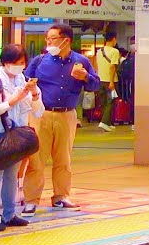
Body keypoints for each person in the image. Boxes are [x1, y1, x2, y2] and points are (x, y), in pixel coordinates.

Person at [23, 22, 100, 213]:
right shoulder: (40, 61)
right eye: (47, 39)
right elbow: (23, 82)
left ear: (67, 40)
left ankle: (61, 196)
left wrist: (85, 77)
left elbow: (95, 85)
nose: (49, 43)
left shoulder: (81, 61)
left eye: (53, 39)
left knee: (63, 159)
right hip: (40, 114)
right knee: (36, 159)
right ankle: (31, 199)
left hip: (67, 115)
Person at [0, 44, 40, 232]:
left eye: (22, 63)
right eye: (16, 63)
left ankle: (9, 214)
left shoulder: (21, 79)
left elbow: (37, 109)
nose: (19, 66)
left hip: (16, 134)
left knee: (11, 176)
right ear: (5, 63)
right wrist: (12, 101)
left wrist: (32, 92)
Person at [95, 32, 121, 132]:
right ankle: (104, 122)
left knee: (104, 102)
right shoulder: (115, 51)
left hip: (100, 80)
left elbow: (96, 65)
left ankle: (108, 123)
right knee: (111, 101)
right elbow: (112, 67)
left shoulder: (99, 51)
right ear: (114, 39)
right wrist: (111, 82)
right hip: (110, 81)